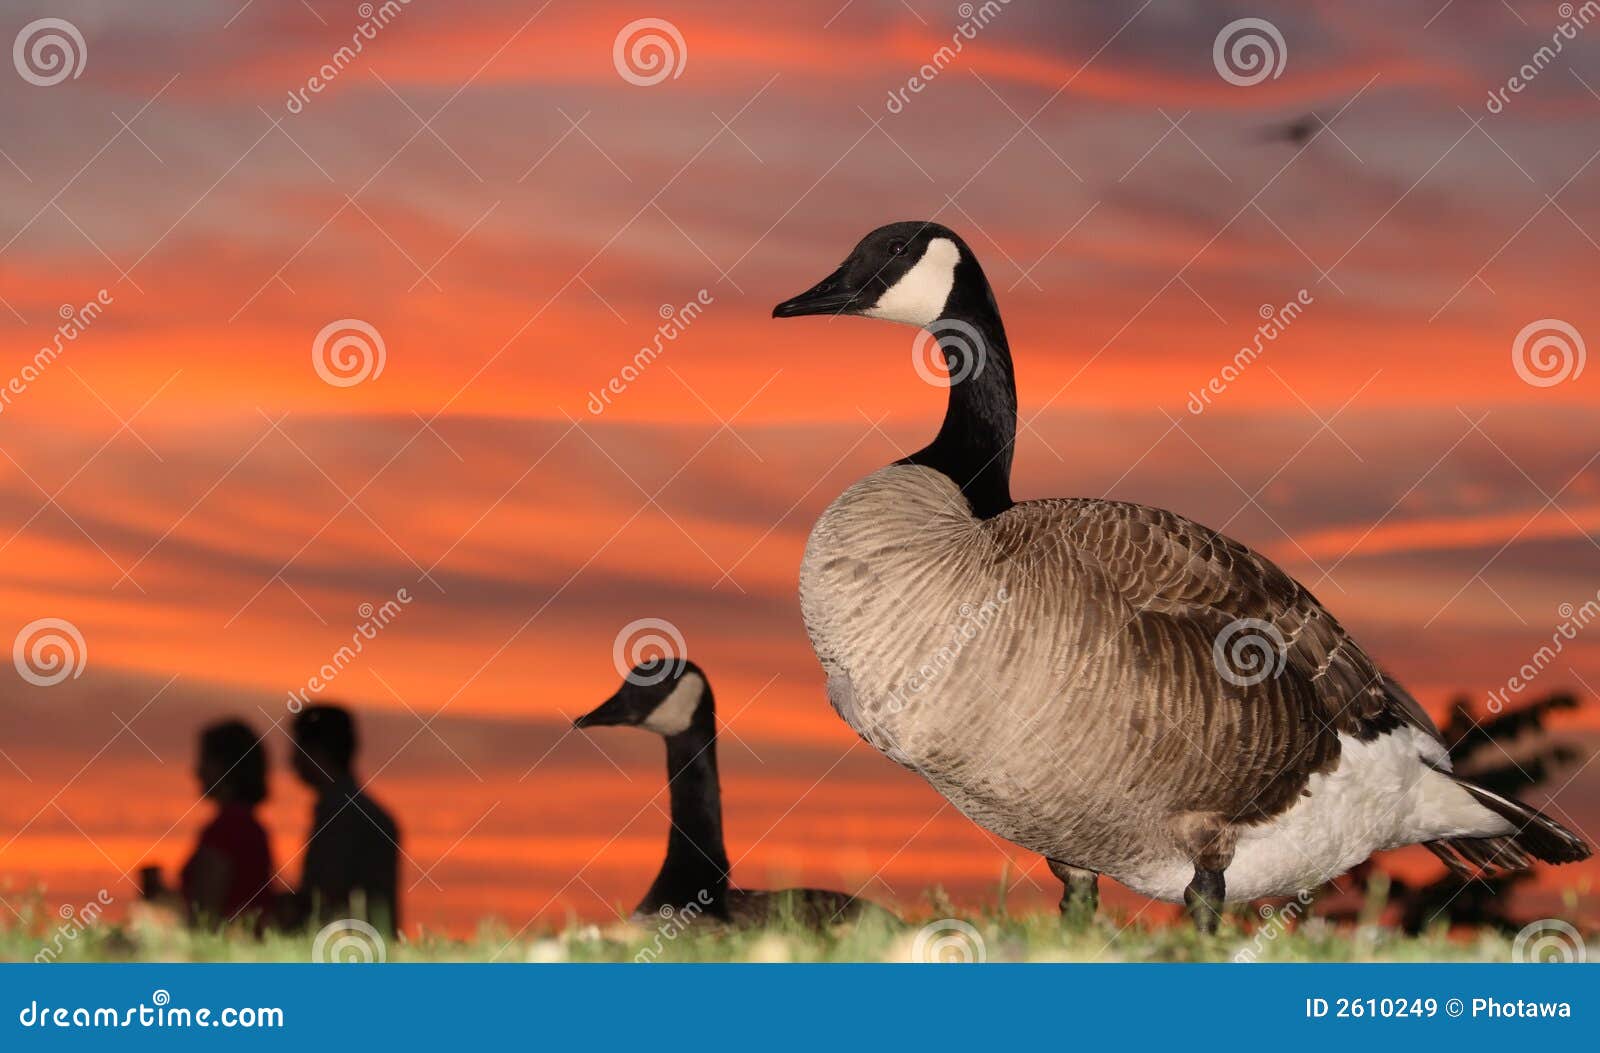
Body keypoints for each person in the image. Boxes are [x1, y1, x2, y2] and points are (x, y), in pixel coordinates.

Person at [288, 704, 401, 934]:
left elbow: (326, 896)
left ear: (316, 751)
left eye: (298, 747)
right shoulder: (370, 814)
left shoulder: (342, 814)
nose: (292, 760)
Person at [179, 720, 276, 927]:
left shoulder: (226, 829)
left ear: (225, 766)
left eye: (206, 761)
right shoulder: (251, 827)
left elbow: (206, 915)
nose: (198, 771)